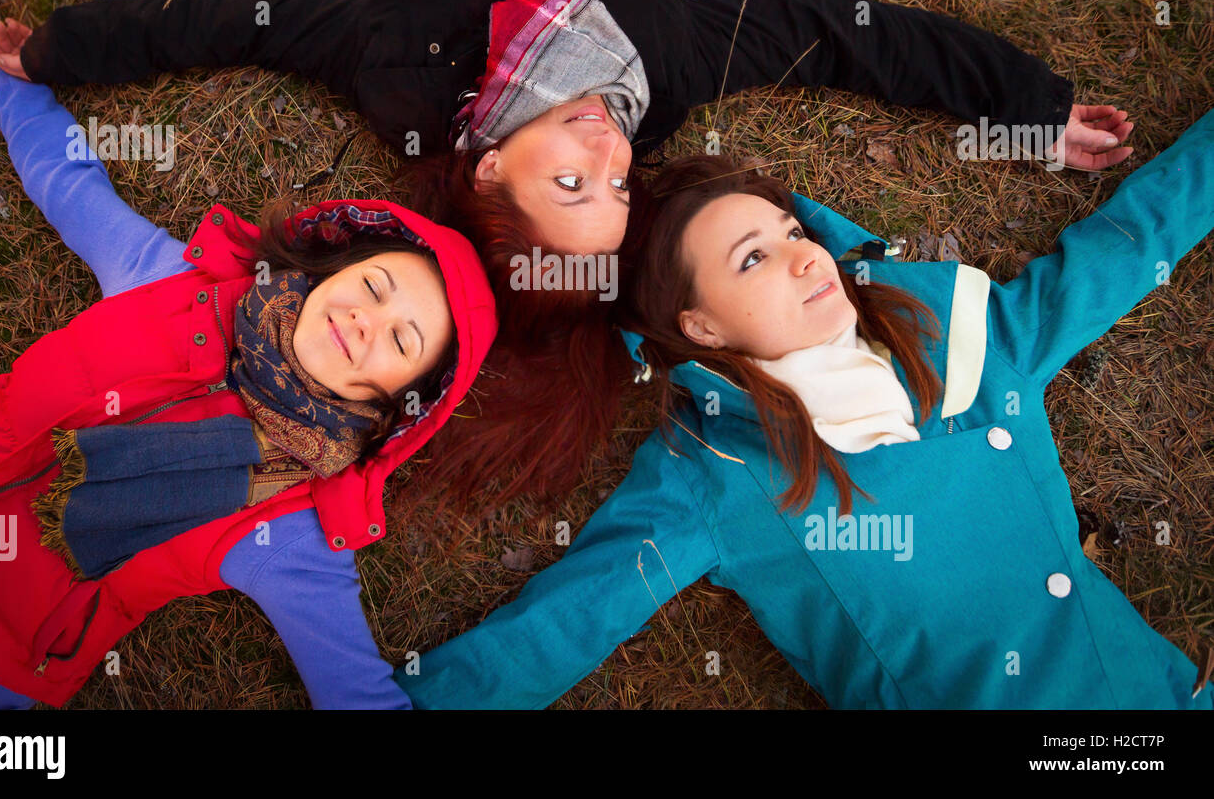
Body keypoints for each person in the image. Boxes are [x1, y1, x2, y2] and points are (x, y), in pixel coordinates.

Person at [0, 0, 1134, 506]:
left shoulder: (397, 63)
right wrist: (1024, 108)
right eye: (617, 191)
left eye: (572, 185)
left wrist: (59, 49)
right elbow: (843, 32)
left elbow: (232, 22)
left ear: (485, 178)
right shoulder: (662, 68)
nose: (610, 157)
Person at [391, 128, 1214, 708]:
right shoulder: (716, 475)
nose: (804, 254)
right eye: (754, 258)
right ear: (701, 328)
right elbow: (571, 617)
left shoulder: (974, 337)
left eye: (790, 231)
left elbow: (1132, 239)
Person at [0, 0, 496, 709]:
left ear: (399, 402)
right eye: (373, 287)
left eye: (402, 341)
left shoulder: (293, 525)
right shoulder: (166, 279)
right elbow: (69, 184)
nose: (364, 320)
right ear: (330, 267)